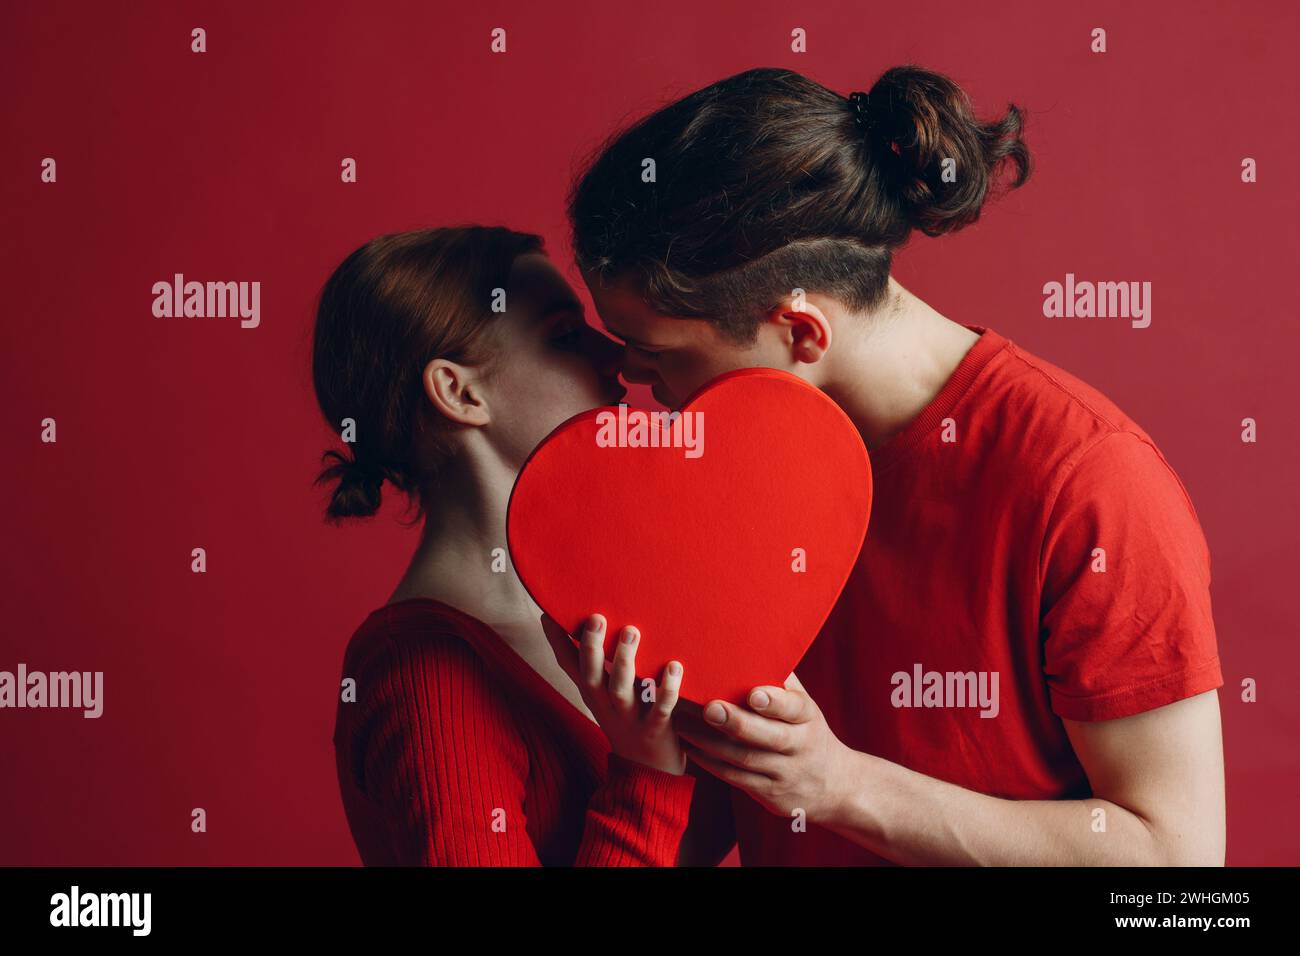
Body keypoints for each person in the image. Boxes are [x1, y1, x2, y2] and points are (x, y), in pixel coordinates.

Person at [567, 65, 1226, 865]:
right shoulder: (728, 469)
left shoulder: (1089, 481)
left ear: (802, 334)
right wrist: (648, 746)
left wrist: (841, 787)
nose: (631, 380)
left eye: (654, 350)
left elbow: (1178, 867)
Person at [315, 226, 732, 866]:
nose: (615, 358)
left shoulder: (606, 611)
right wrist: (645, 779)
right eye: (564, 336)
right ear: (460, 392)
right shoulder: (426, 681)